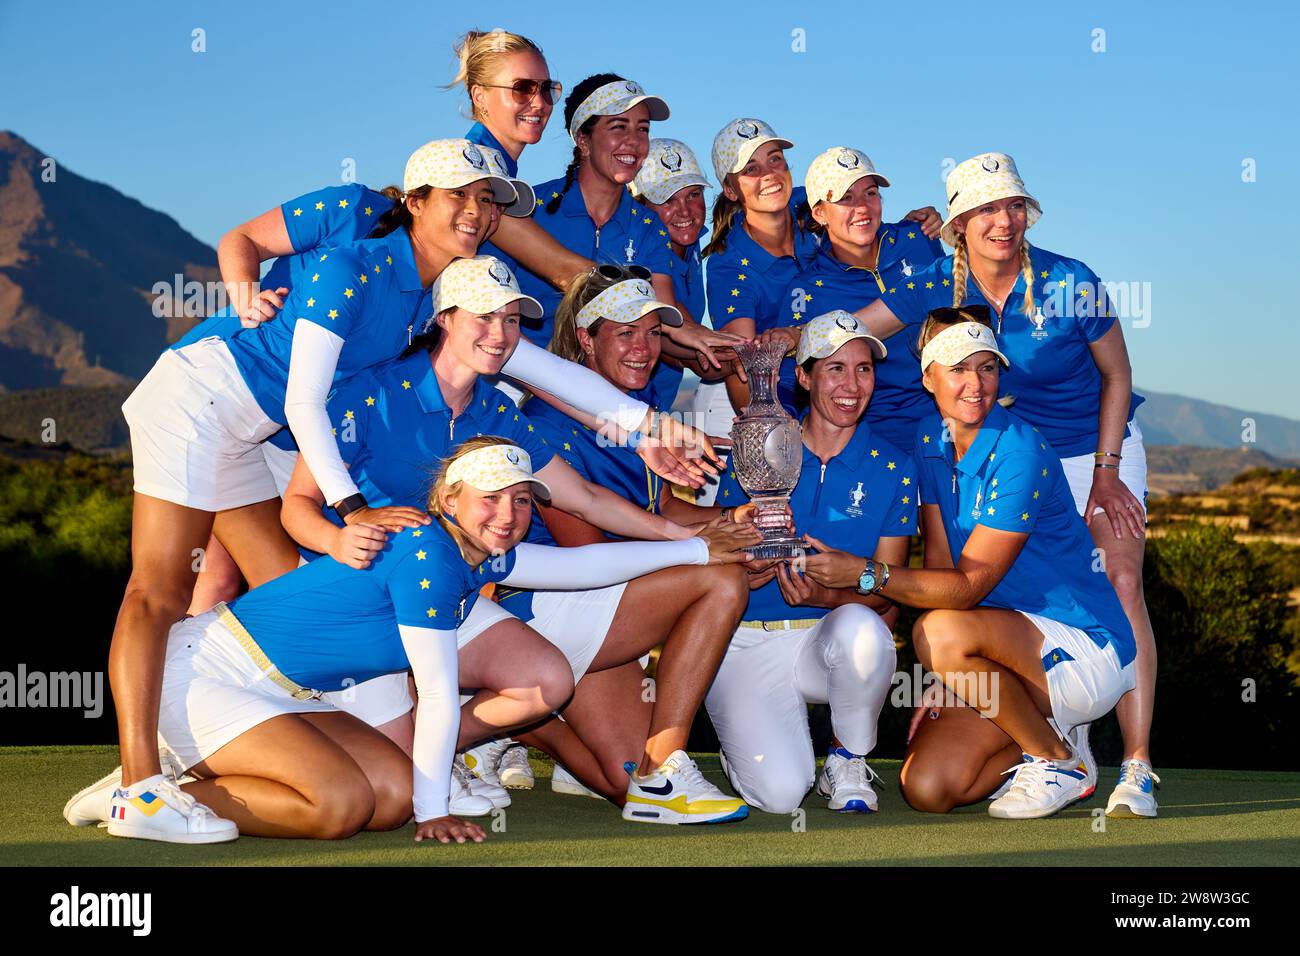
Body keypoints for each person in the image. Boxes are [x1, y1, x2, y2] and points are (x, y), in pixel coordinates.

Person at [87, 138, 512, 844]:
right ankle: (139, 786)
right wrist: (351, 509)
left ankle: (222, 748)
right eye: (459, 195)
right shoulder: (355, 259)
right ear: (415, 202)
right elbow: (303, 395)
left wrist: (636, 426)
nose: (477, 211)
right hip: (200, 398)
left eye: (487, 200)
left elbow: (536, 368)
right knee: (157, 591)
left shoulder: (432, 296)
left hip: (252, 432)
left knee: (288, 584)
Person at [98, 437, 758, 843]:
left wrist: (700, 550)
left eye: (522, 501)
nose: (509, 515)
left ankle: (176, 776)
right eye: (491, 498)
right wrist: (433, 813)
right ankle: (149, 788)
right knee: (339, 807)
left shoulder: (477, 551)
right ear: (448, 499)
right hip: (209, 673)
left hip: (287, 694)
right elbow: (439, 694)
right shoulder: (427, 554)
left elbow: (586, 566)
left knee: (387, 798)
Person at [282, 258, 754, 825]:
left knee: (584, 729)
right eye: (483, 317)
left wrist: (689, 536)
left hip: (453, 603)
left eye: (511, 320)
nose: (500, 333)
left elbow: (584, 499)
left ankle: (482, 735)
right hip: (363, 609)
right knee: (386, 800)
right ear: (444, 318)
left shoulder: (496, 410)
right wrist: (339, 540)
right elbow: (297, 507)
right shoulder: (370, 394)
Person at [826, 153, 1158, 817]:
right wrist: (778, 344)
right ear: (958, 224)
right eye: (983, 209)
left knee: (1120, 582)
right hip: (990, 450)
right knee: (933, 773)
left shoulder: (1071, 281)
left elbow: (1117, 375)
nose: (1001, 221)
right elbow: (857, 328)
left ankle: (1137, 764)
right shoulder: (933, 284)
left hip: (1088, 448)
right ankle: (1055, 737)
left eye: (1011, 206)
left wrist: (1106, 470)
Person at [798, 310, 1136, 819]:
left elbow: (968, 587)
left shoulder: (1019, 451)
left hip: (1082, 648)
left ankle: (1055, 759)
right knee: (928, 789)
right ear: (928, 377)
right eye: (958, 368)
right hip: (999, 648)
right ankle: (1056, 739)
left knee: (937, 632)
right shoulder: (929, 439)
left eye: (987, 368)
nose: (975, 385)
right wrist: (948, 673)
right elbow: (938, 566)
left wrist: (867, 574)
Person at [476, 266, 753, 822]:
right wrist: (710, 548)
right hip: (545, 609)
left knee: (620, 780)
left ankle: (524, 725)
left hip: (603, 606)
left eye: (653, 333)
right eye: (625, 333)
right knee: (722, 580)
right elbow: (588, 551)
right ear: (585, 338)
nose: (643, 348)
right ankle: (665, 766)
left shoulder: (635, 407)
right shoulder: (548, 422)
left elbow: (659, 510)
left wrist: (737, 523)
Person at [706, 312, 912, 813]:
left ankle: (847, 757)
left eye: (864, 369)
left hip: (824, 642)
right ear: (802, 375)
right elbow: (717, 553)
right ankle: (747, 747)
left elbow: (888, 597)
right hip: (744, 640)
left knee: (865, 631)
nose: (852, 385)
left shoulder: (894, 467)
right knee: (780, 795)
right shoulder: (756, 445)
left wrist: (827, 595)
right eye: (835, 368)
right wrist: (745, 569)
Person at [483, 73, 736, 372]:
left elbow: (664, 316)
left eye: (642, 129)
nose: (634, 141)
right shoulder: (528, 208)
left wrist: (724, 350)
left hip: (610, 391)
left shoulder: (648, 227)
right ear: (583, 140)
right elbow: (486, 311)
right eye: (619, 126)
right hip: (515, 381)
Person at [705, 119, 941, 415]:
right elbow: (741, 365)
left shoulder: (803, 200)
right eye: (751, 169)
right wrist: (765, 422)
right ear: (730, 189)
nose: (769, 174)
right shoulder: (728, 266)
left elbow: (858, 212)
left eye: (775, 159)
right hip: (777, 385)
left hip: (852, 379)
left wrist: (905, 235)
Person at [774, 147, 944, 449]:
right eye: (846, 198)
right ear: (819, 213)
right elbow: (788, 376)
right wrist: (783, 419)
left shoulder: (918, 239)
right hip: (874, 441)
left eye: (870, 193)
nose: (863, 207)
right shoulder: (806, 289)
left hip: (946, 425)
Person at [630, 138, 713, 408]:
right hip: (622, 410)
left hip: (656, 408)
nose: (685, 211)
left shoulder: (690, 242)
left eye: (693, 194)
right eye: (667, 199)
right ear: (641, 206)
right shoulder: (638, 259)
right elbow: (694, 355)